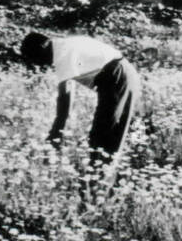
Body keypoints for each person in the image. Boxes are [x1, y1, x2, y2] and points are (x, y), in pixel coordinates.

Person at [17, 31, 141, 181]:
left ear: (44, 46)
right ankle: (99, 178)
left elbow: (65, 99)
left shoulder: (62, 53)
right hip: (117, 76)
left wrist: (55, 134)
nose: (39, 64)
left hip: (118, 76)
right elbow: (67, 93)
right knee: (102, 133)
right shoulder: (63, 47)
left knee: (106, 134)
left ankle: (100, 182)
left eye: (36, 57)